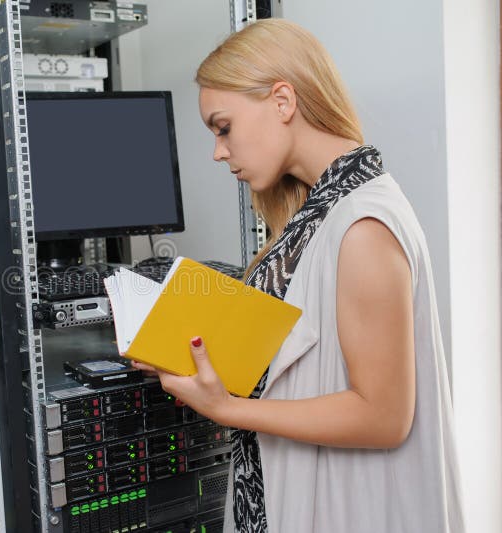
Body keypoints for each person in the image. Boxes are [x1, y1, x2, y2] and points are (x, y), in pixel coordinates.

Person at [131, 19, 464, 533]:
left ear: (283, 101)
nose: (219, 151)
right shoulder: (320, 210)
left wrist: (227, 409)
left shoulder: (362, 224)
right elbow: (301, 362)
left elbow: (383, 416)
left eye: (223, 127)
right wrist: (189, 360)